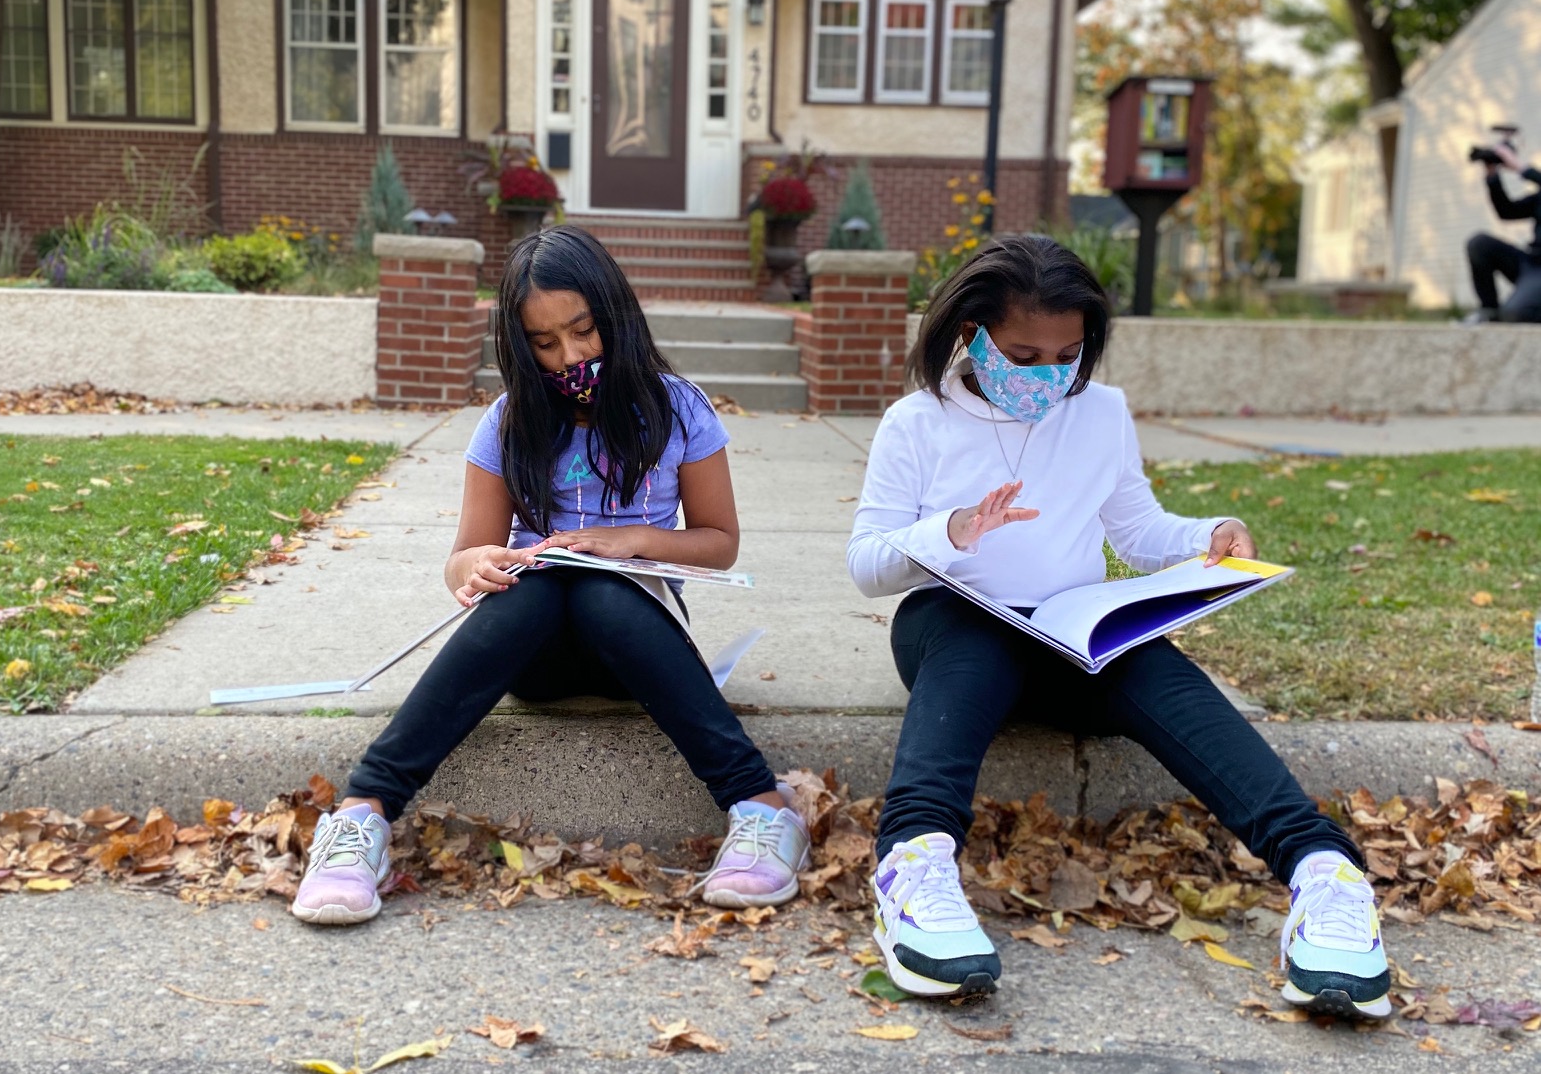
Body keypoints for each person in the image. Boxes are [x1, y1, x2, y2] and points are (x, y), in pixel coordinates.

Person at [846, 235, 1392, 1019]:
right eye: (1023, 352)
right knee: (970, 636)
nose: (1047, 373)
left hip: (1076, 636)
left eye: (1067, 353)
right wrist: (955, 530)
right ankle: (914, 866)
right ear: (971, 334)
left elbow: (1135, 527)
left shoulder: (1099, 411)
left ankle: (1324, 875)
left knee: (1158, 670)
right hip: (956, 628)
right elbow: (868, 563)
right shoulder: (917, 420)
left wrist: (1210, 532)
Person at [292, 226, 808, 925]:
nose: (569, 356)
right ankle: (361, 817)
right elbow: (462, 557)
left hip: (636, 644)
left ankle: (761, 807)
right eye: (544, 343)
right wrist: (480, 564)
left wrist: (628, 542)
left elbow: (720, 544)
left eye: (583, 331)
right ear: (520, 345)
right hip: (529, 652)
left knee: (599, 587)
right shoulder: (508, 422)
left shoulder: (679, 407)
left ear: (613, 315)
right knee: (540, 584)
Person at [1464, 141, 1541, 323]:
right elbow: (1507, 211)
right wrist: (1492, 175)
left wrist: (1521, 167)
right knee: (1479, 244)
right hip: (1531, 263)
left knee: (1514, 314)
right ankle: (1489, 310)